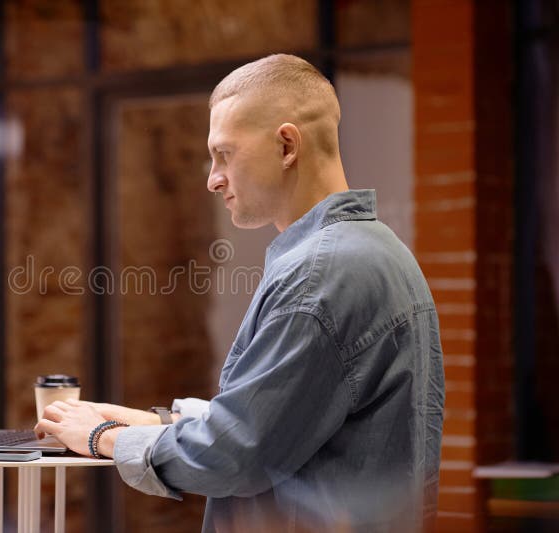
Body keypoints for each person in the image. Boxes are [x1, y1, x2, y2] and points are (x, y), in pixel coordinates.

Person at [35, 53, 445, 532]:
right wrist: (151, 423)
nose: (212, 178)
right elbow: (285, 424)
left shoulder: (320, 275)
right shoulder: (377, 250)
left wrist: (102, 436)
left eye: (224, 154)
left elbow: (235, 457)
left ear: (287, 145)